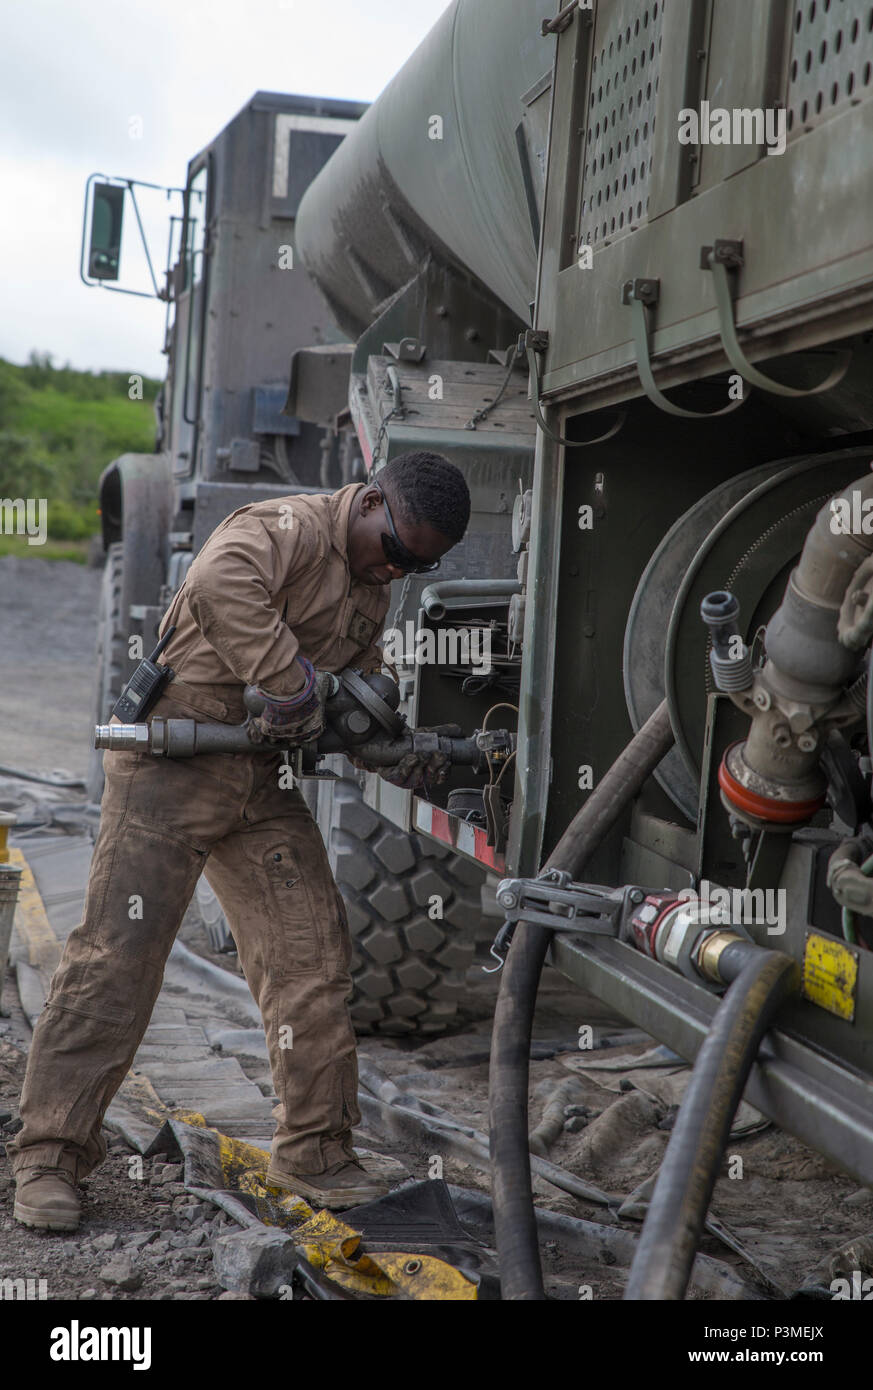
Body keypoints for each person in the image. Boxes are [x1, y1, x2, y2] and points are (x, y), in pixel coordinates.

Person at [9, 450, 471, 1231]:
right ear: (366, 505)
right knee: (115, 959)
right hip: (170, 764)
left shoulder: (369, 589)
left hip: (261, 781)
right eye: (395, 552)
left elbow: (347, 695)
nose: (396, 573)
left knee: (309, 956)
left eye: (417, 567)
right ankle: (50, 1157)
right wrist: (289, 682)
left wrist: (396, 745)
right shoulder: (281, 528)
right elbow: (220, 585)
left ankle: (316, 1151)